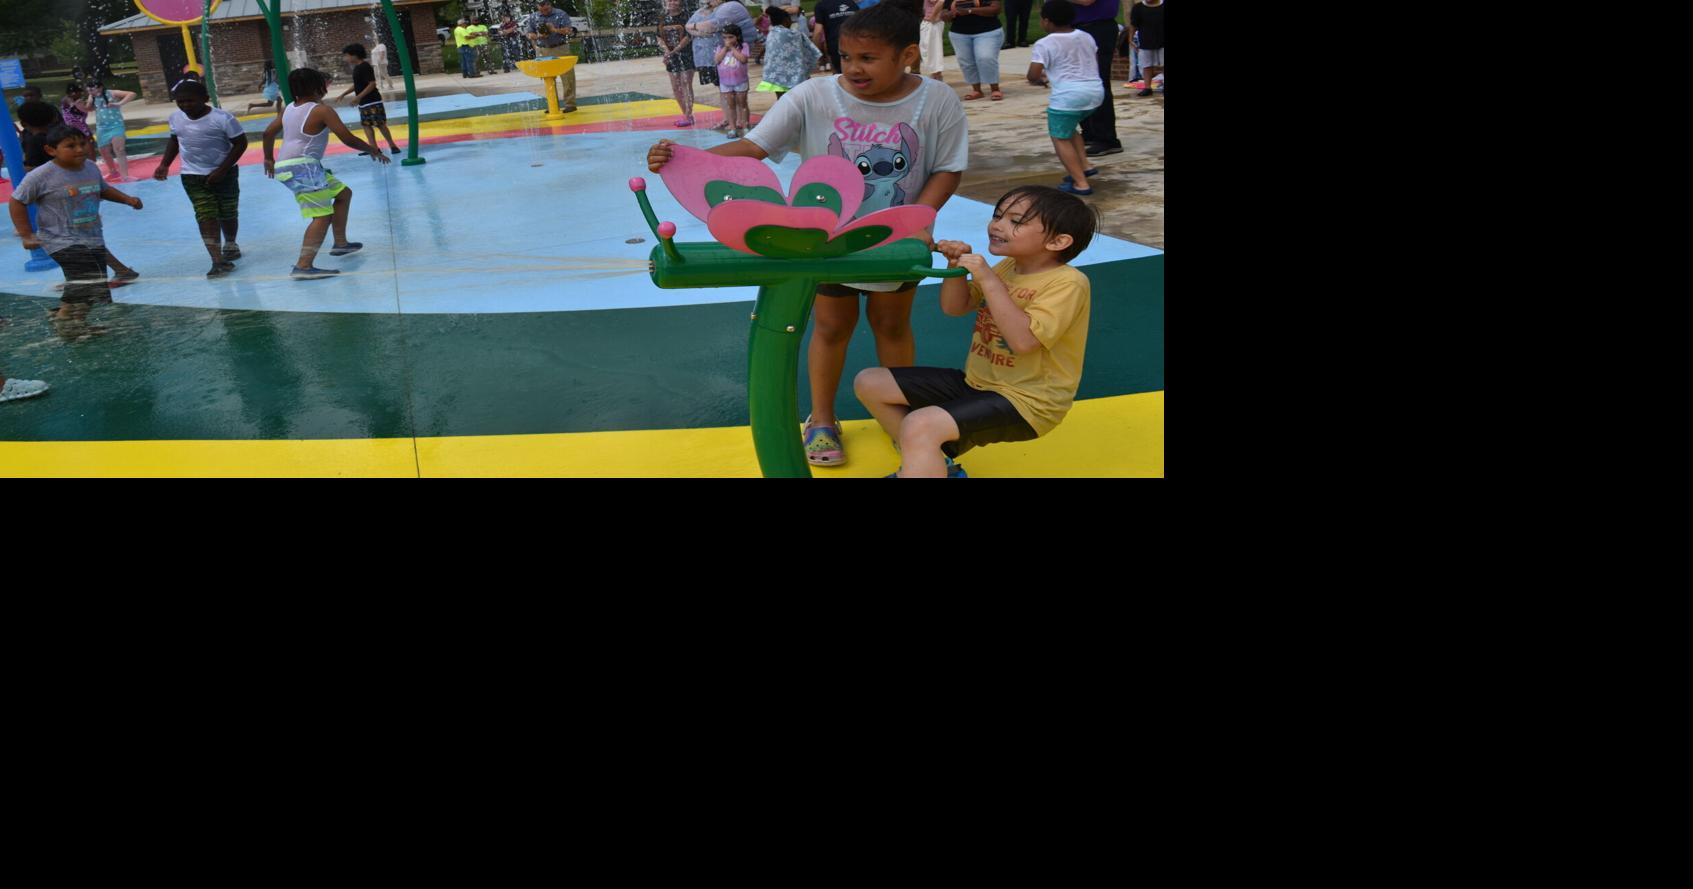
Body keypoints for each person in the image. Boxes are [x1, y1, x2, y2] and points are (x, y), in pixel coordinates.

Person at [646, 0, 967, 467]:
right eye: (846, 56)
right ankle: (821, 418)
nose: (854, 68)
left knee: (892, 324)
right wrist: (687, 160)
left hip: (895, 241)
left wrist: (917, 222)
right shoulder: (814, 96)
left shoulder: (936, 100)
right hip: (826, 239)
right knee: (832, 327)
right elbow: (756, 146)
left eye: (868, 58)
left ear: (908, 56)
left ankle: (905, 418)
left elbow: (946, 169)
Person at [855, 185, 1096, 477]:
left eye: (1016, 221)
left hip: (1028, 402)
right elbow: (955, 307)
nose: (997, 225)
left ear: (1058, 241)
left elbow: (1024, 341)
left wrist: (988, 278)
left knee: (921, 424)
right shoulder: (1010, 266)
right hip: (978, 384)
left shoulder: (1068, 283)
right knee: (870, 382)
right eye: (998, 215)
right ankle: (934, 464)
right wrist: (956, 266)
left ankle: (922, 459)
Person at [8, 124, 143, 340]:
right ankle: (65, 324)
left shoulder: (90, 167)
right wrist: (26, 234)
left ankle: (74, 321)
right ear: (51, 150)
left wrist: (127, 199)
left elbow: (103, 189)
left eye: (83, 143)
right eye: (70, 146)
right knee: (83, 277)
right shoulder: (42, 175)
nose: (80, 149)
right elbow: (16, 201)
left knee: (95, 283)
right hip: (59, 239)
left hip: (92, 236)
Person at [262, 68, 391, 280]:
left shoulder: (288, 109)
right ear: (318, 87)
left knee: (343, 193)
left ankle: (340, 244)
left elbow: (268, 133)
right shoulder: (322, 110)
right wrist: (372, 149)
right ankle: (303, 266)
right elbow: (347, 138)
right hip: (304, 168)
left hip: (292, 165)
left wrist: (268, 158)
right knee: (322, 216)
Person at [152, 79, 248, 278]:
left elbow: (240, 143)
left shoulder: (222, 118)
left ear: (205, 99)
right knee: (205, 215)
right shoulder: (175, 118)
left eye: (190, 101)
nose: (185, 105)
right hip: (192, 175)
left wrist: (222, 169)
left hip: (225, 174)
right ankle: (217, 260)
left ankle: (230, 244)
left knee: (228, 211)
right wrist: (164, 164)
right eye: (180, 102)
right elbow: (174, 140)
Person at [1027, 0, 1102, 195]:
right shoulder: (1086, 36)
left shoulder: (1044, 43)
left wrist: (1038, 79)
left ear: (1047, 21)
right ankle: (1085, 165)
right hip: (1095, 93)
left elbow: (1033, 75)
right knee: (1070, 128)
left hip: (1068, 97)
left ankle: (1080, 183)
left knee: (1059, 137)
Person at [339, 44, 402, 156]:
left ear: (354, 55)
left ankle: (392, 145)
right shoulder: (358, 67)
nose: (345, 59)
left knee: (380, 124)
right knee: (366, 125)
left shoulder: (364, 66)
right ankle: (373, 148)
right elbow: (357, 85)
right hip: (364, 103)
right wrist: (344, 94)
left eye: (347, 56)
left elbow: (372, 84)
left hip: (372, 101)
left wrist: (358, 97)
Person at [941, 0, 1004, 101]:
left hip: (988, 31)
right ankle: (977, 90)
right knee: (966, 61)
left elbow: (996, 9)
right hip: (959, 33)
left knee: (985, 57)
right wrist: (947, 15)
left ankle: (995, 88)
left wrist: (970, 10)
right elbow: (943, 13)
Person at [525, 0, 580, 112]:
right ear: (538, 7)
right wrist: (538, 35)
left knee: (567, 76)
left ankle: (570, 104)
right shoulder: (533, 17)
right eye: (541, 10)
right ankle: (552, 104)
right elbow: (529, 34)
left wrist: (554, 29)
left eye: (546, 9)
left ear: (550, 5)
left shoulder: (561, 14)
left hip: (560, 47)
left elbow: (569, 31)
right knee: (548, 78)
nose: (544, 11)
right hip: (543, 49)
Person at [756, 6, 821, 100]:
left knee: (782, 101)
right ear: (785, 20)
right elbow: (811, 50)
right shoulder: (794, 34)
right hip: (795, 76)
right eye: (790, 19)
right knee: (799, 102)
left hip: (776, 76)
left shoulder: (771, 34)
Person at [85, 80, 137, 182]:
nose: (91, 92)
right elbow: (89, 109)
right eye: (89, 90)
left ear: (100, 87)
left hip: (116, 125)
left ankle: (125, 176)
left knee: (120, 149)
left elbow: (132, 94)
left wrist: (119, 103)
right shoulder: (92, 96)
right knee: (103, 151)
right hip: (101, 127)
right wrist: (80, 107)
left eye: (92, 89)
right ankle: (113, 171)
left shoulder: (112, 93)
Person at [657, 0, 697, 127]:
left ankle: (688, 115)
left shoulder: (687, 16)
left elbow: (688, 36)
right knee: (675, 86)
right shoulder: (662, 17)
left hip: (686, 54)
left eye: (674, 0)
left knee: (686, 84)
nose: (671, 2)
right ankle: (684, 112)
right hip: (670, 56)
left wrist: (675, 50)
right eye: (668, 0)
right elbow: (658, 37)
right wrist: (667, 51)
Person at [714, 24, 751, 138]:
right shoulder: (720, 48)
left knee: (742, 104)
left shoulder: (743, 46)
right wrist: (725, 48)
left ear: (738, 37)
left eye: (731, 37)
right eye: (725, 37)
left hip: (740, 81)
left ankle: (745, 126)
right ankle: (732, 128)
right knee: (731, 105)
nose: (727, 40)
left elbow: (743, 59)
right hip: (725, 82)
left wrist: (733, 48)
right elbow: (717, 60)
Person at [1128, 0, 1163, 97]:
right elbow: (1133, 24)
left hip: (1163, 40)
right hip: (1145, 40)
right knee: (1146, 65)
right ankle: (1147, 87)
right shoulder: (1138, 8)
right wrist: (1130, 38)